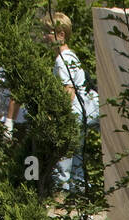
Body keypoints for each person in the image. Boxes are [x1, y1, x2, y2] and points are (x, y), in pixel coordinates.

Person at [42, 12, 87, 192]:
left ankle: (63, 202)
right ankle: (80, 203)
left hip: (70, 116)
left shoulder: (63, 60)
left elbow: (69, 90)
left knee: (63, 164)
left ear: (61, 35)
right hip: (78, 115)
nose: (45, 37)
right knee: (76, 164)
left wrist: (57, 118)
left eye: (48, 32)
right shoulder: (71, 56)